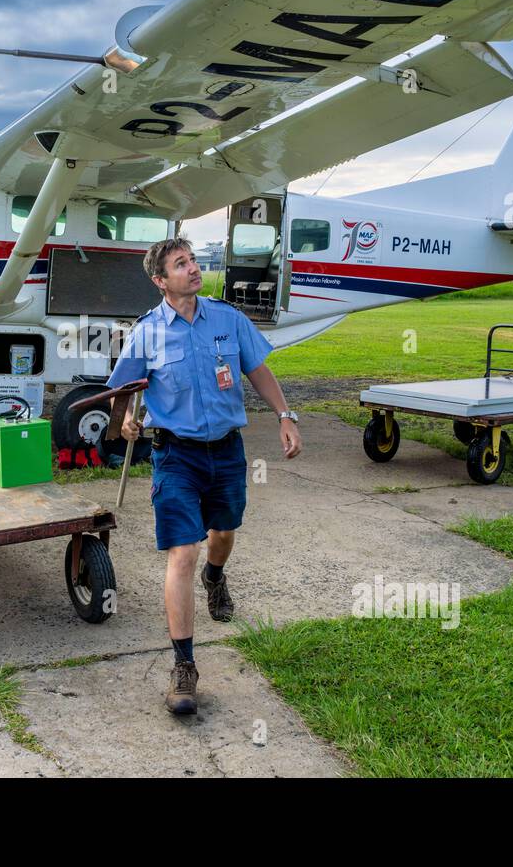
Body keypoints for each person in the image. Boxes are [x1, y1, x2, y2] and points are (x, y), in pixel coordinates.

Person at [107, 237, 302, 715]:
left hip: (227, 451)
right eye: (181, 264)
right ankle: (184, 667)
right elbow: (123, 388)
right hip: (175, 454)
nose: (193, 269)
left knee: (223, 533)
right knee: (182, 552)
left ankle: (217, 576)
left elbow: (258, 370)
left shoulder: (228, 319)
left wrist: (284, 415)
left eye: (193, 260)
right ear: (161, 280)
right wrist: (122, 422)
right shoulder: (147, 333)